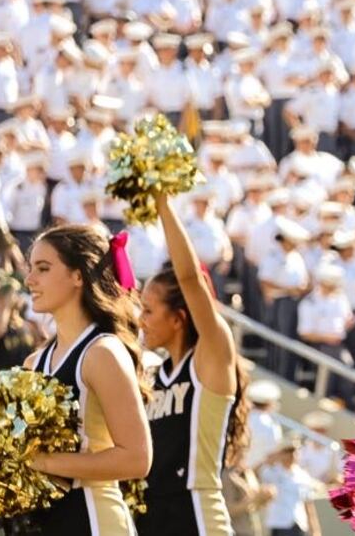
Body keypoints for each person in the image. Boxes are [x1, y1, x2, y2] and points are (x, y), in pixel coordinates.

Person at [21, 225, 152, 535]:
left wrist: (44, 462)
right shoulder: (33, 362)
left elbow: (137, 458)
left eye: (43, 268)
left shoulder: (102, 352)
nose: (30, 280)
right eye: (30, 269)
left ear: (78, 275)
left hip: (94, 520)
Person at [135, 192, 248, 535]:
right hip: (149, 518)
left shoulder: (210, 356)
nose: (141, 320)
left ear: (179, 317)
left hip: (196, 517)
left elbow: (190, 280)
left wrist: (163, 206)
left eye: (149, 311)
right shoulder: (152, 375)